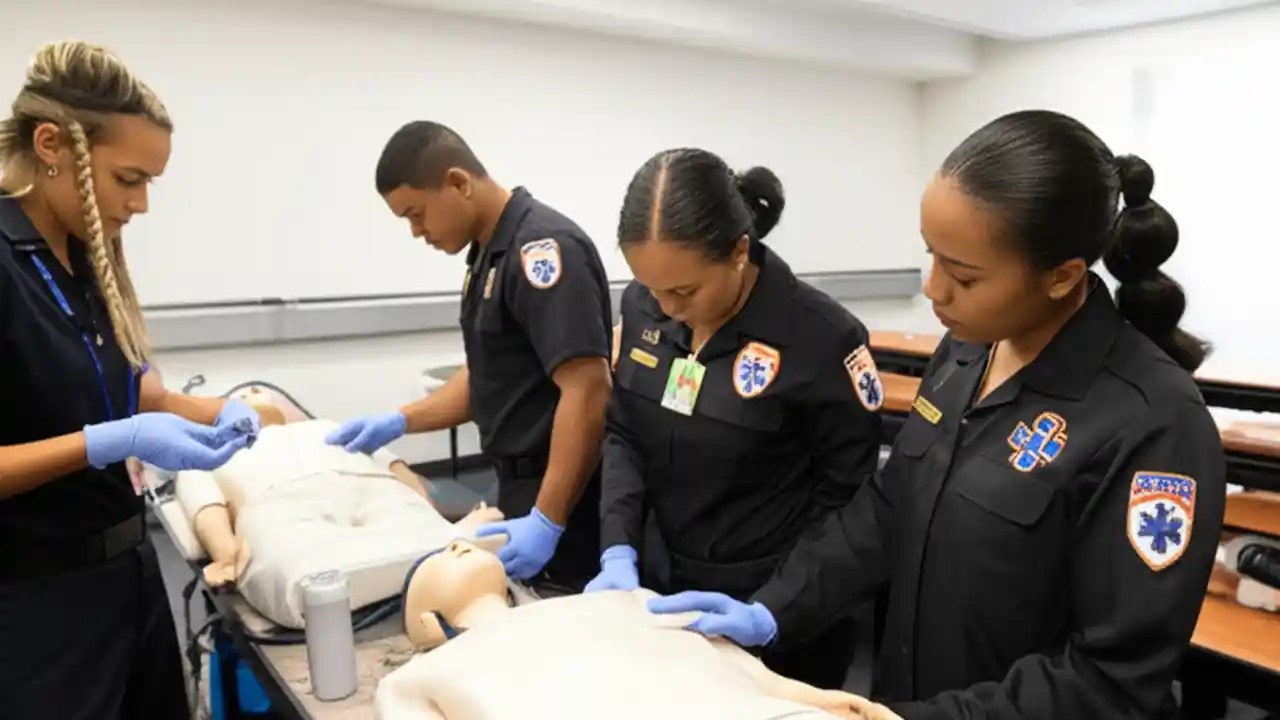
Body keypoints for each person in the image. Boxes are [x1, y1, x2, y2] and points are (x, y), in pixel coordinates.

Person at [649, 110, 1227, 719]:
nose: (933, 289)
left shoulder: (1153, 423)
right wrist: (774, 608)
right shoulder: (967, 350)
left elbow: (1110, 681)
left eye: (963, 274)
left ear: (1062, 277)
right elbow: (890, 507)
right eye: (932, 256)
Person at [0, 41, 260, 719]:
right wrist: (102, 441)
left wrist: (222, 413)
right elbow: (113, 425)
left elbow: (136, 395)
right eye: (128, 179)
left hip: (130, 575)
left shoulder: (86, 263)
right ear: (52, 144)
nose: (141, 204)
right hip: (37, 603)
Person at [586, 148, 883, 689]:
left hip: (775, 609)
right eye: (651, 287)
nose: (667, 306)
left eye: (685, 290)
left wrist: (775, 609)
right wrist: (617, 545)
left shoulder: (822, 337)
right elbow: (625, 431)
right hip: (662, 593)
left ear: (739, 251)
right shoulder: (643, 306)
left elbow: (852, 504)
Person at [327, 122, 613, 591]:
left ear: (459, 183)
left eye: (416, 214)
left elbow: (587, 390)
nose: (417, 232)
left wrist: (548, 519)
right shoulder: (487, 255)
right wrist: (400, 420)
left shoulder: (541, 251)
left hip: (567, 494)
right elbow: (486, 376)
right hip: (522, 484)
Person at [375, 538, 902, 720]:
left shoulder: (627, 601)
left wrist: (818, 699)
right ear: (428, 624)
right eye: (441, 556)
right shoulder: (433, 671)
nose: (459, 547)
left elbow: (736, 666)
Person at [175, 398, 502, 628]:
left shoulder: (327, 428)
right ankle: (443, 556)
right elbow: (204, 502)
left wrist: (435, 517)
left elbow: (393, 467)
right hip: (279, 499)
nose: (252, 398)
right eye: (241, 397)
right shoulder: (212, 451)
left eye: (258, 393)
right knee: (311, 577)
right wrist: (226, 556)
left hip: (372, 487)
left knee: (435, 536)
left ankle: (445, 546)